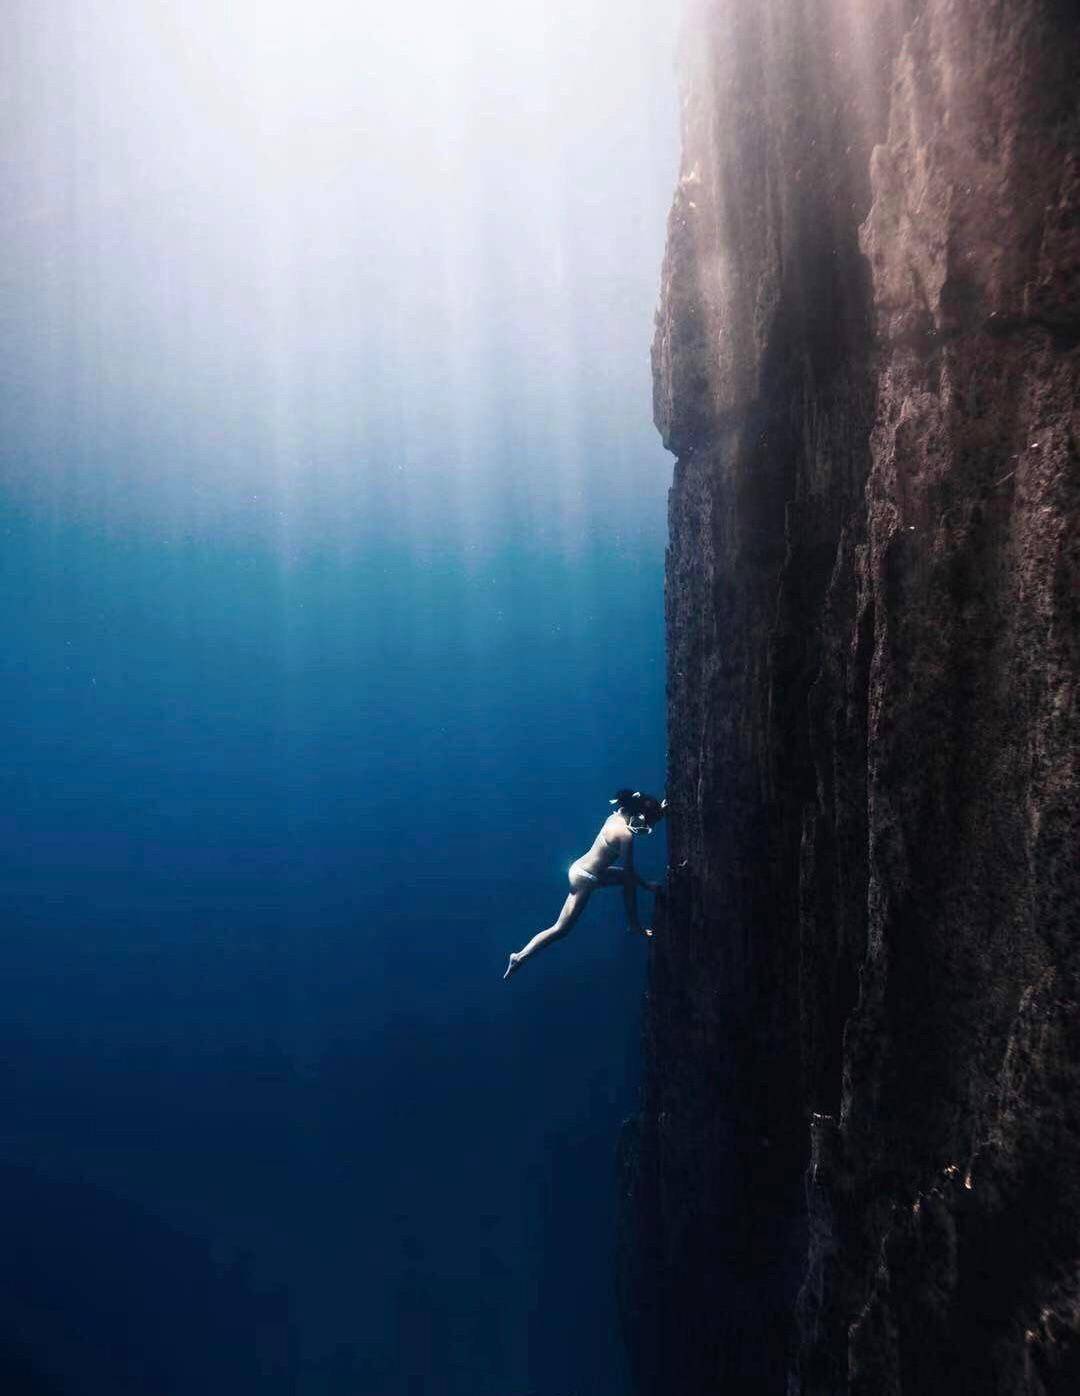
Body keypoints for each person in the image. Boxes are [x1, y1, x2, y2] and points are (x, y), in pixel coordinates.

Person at [503, 790, 667, 980]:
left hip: (585, 869)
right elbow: (630, 876)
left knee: (623, 878)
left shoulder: (618, 816)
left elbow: (639, 808)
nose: (645, 827)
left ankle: (633, 924)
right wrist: (644, 894)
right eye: (647, 824)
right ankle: (520, 956)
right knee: (561, 929)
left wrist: (661, 811)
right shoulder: (625, 837)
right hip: (585, 878)